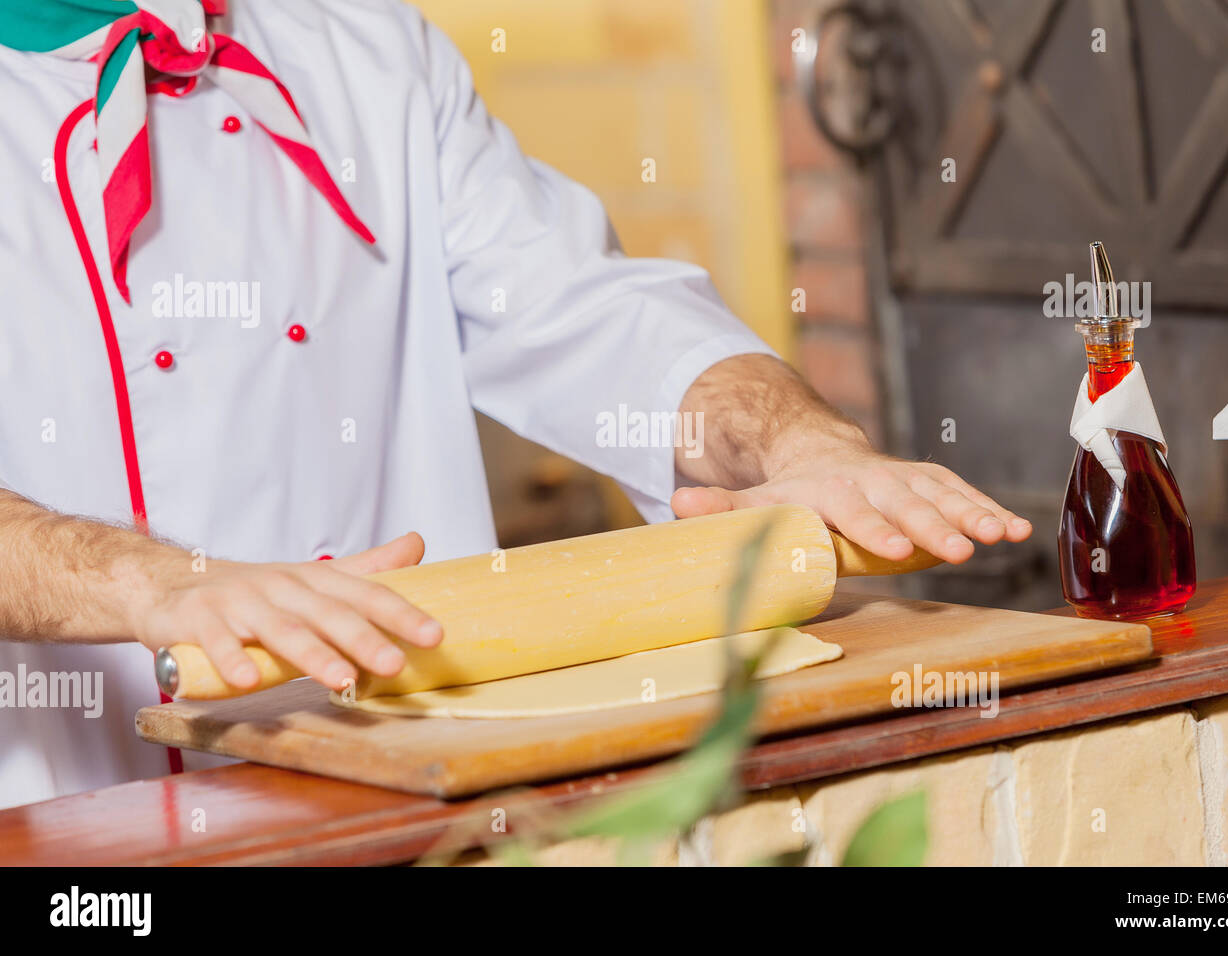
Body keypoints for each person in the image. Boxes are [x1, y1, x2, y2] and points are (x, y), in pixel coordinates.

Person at [0, 0, 1032, 809]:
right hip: (79, 818)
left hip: (430, 796)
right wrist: (150, 584)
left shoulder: (369, 49)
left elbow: (582, 308)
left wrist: (793, 438)